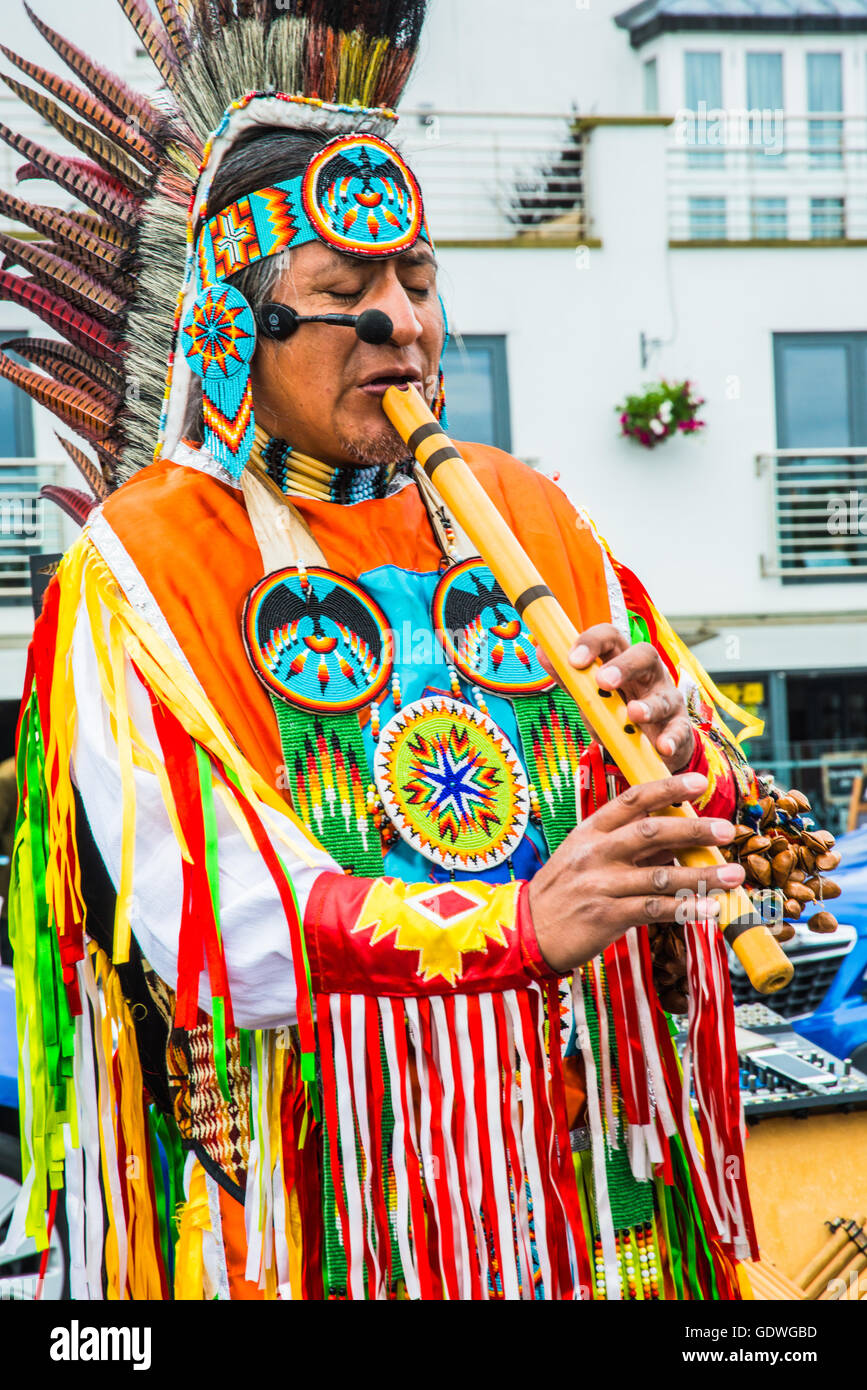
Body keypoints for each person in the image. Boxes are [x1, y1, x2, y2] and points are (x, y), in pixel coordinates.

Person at [3, 0, 830, 1301]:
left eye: (420, 281)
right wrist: (512, 923)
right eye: (345, 292)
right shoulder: (145, 563)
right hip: (317, 1211)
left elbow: (712, 826)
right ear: (233, 325)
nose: (403, 325)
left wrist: (690, 763)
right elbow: (205, 908)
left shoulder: (532, 513)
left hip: (578, 1184)